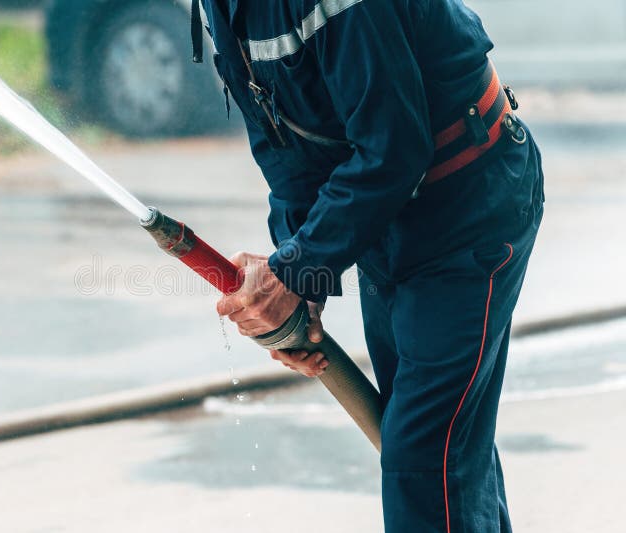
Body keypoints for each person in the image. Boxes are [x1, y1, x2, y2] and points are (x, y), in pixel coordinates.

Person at [196, 0, 545, 531]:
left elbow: (393, 150)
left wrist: (292, 272)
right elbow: (282, 148)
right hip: (383, 221)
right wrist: (302, 284)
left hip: (467, 210)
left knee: (422, 457)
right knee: (439, 453)